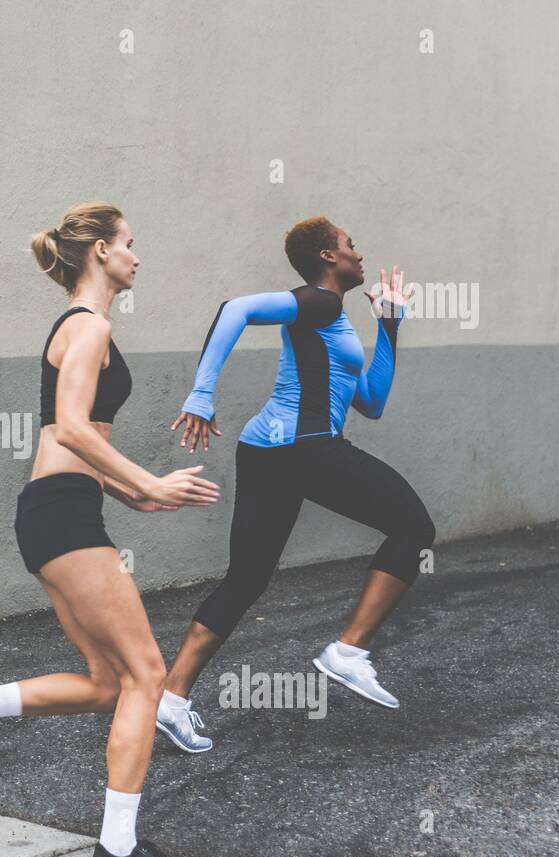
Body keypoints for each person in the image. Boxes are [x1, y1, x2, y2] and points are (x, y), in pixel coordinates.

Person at [0, 203, 219, 857]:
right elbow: (72, 427)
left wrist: (131, 494)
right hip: (60, 513)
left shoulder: (92, 327)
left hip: (61, 507)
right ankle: (116, 851)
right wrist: (148, 481)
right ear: (100, 253)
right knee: (148, 674)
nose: (137, 256)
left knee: (110, 683)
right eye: (129, 244)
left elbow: (75, 444)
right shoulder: (86, 327)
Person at [160, 216, 434, 755]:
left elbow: (371, 402)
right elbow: (235, 309)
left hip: (269, 451)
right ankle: (348, 652)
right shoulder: (321, 302)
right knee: (414, 526)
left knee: (246, 580)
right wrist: (200, 392)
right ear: (328, 258)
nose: (360, 251)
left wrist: (391, 325)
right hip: (303, 448)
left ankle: (170, 699)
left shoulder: (334, 320)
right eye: (350, 244)